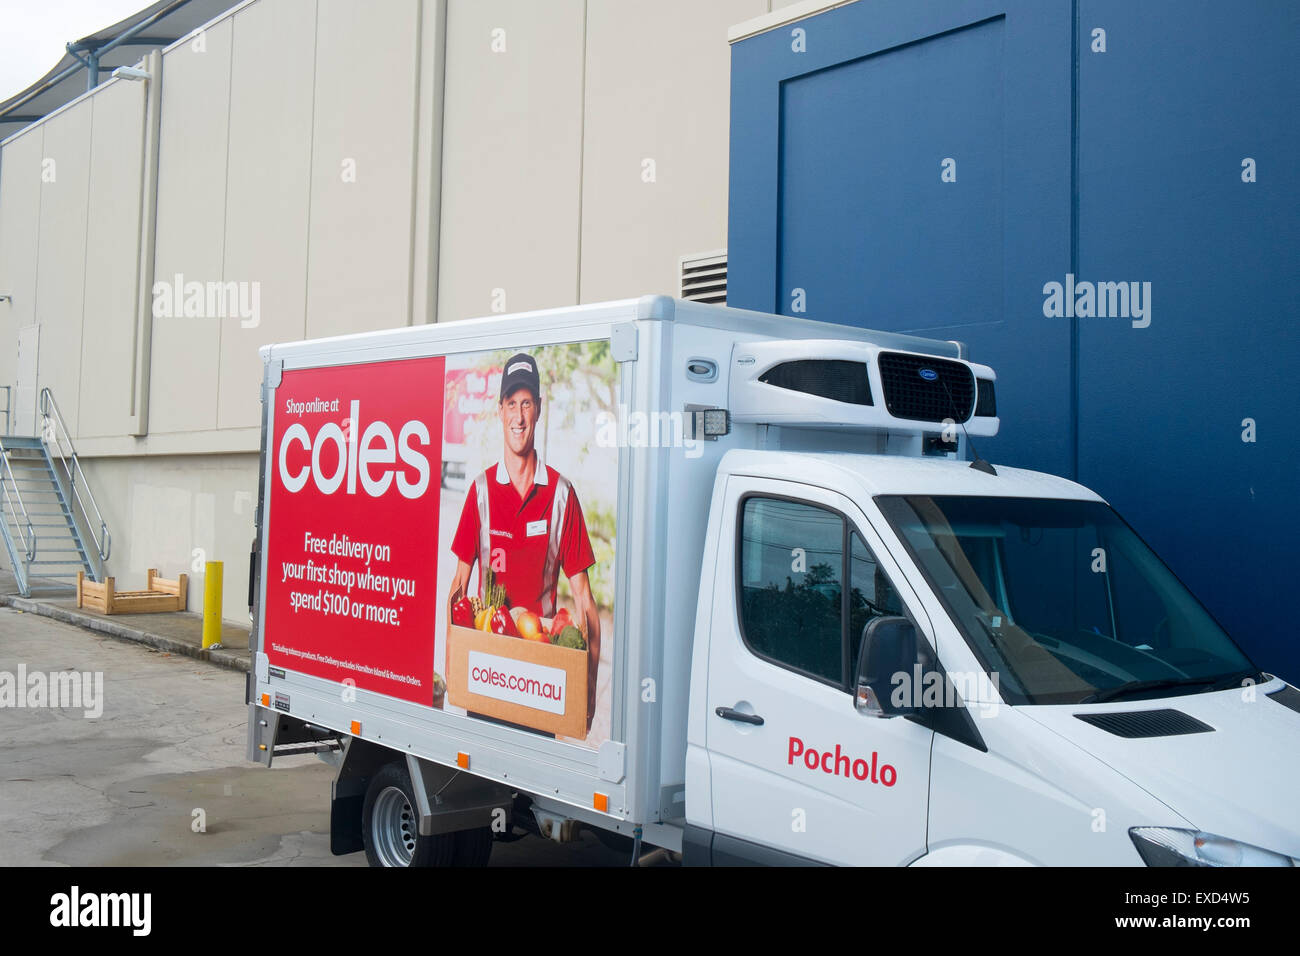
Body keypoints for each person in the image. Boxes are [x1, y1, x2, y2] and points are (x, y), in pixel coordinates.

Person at [448, 352, 601, 731]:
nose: (519, 417)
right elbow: (457, 588)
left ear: (539, 409)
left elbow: (584, 600)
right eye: (512, 404)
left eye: (527, 404)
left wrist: (589, 688)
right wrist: (454, 662)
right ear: (500, 410)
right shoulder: (480, 492)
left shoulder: (562, 496)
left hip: (538, 679)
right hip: (489, 670)